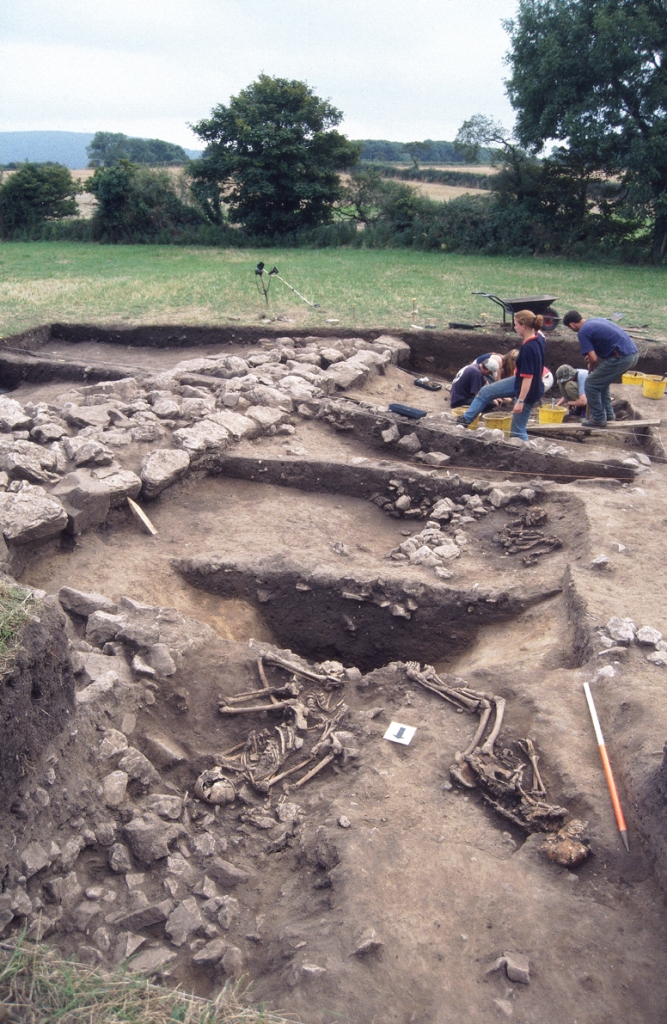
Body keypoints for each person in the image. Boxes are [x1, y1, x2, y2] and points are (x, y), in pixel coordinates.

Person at [562, 311, 638, 426]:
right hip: (632, 354)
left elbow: (593, 358)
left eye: (569, 328)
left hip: (622, 357)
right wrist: (592, 356)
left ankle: (598, 418)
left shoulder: (583, 332)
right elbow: (603, 341)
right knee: (601, 382)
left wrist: (591, 365)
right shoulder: (594, 321)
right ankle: (608, 415)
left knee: (591, 383)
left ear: (571, 325)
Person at [510, 310, 545, 440]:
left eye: (516, 324)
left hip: (527, 394)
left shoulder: (527, 349)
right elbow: (542, 334)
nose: (514, 327)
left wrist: (520, 401)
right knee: (519, 428)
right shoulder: (539, 339)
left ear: (524, 326)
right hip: (536, 389)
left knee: (517, 431)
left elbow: (527, 377)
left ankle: (527, 456)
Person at [460, 349, 518, 426]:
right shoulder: (499, 361)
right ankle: (468, 417)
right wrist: (500, 397)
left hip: (483, 374)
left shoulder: (502, 359)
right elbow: (497, 382)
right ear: (512, 361)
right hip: (477, 376)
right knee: (489, 394)